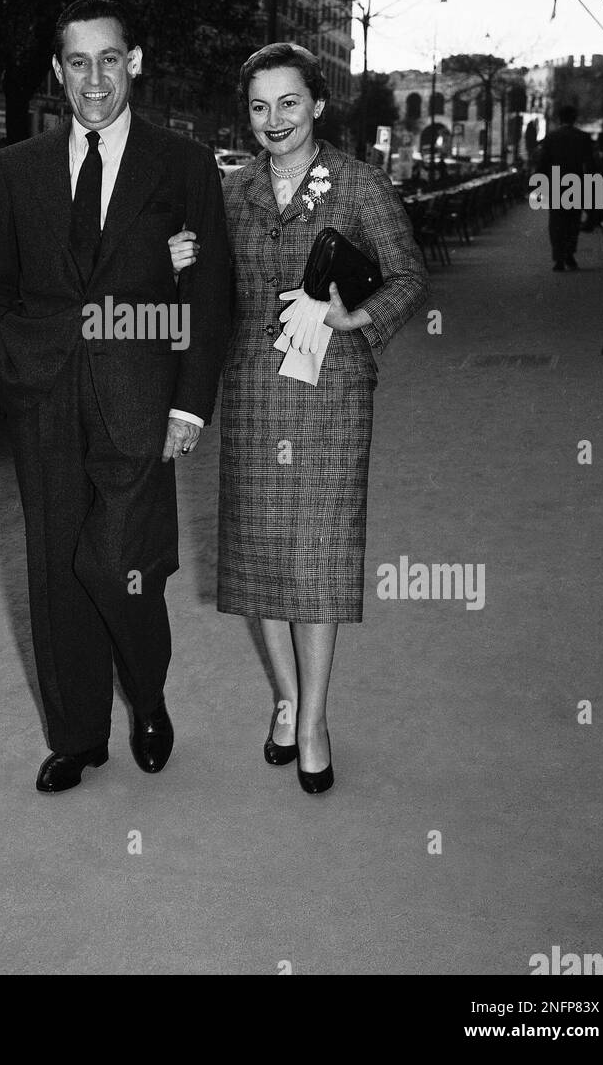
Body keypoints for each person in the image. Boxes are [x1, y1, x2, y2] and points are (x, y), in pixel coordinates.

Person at [0, 0, 231, 794]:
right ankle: (79, 736)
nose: (95, 78)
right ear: (58, 70)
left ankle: (146, 696)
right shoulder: (17, 170)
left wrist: (190, 405)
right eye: (78, 61)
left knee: (118, 562)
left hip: (139, 399)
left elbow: (211, 289)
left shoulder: (183, 164)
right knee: (55, 567)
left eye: (110, 59)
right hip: (43, 396)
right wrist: (10, 365)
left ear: (135, 62)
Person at [169, 42, 428, 794]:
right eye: (258, 106)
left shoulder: (358, 184)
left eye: (288, 103)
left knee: (316, 561)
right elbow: (210, 287)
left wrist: (357, 317)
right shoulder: (231, 189)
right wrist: (178, 257)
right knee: (260, 562)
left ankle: (312, 719)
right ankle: (284, 698)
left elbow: (410, 276)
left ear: (316, 104)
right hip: (253, 389)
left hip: (331, 396)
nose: (273, 120)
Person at [536, 104, 593, 270]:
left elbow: (543, 163)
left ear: (560, 118)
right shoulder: (583, 137)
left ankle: (558, 257)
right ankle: (569, 254)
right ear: (574, 119)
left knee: (556, 222)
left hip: (556, 184)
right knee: (573, 221)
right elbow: (589, 164)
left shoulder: (551, 137)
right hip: (576, 183)